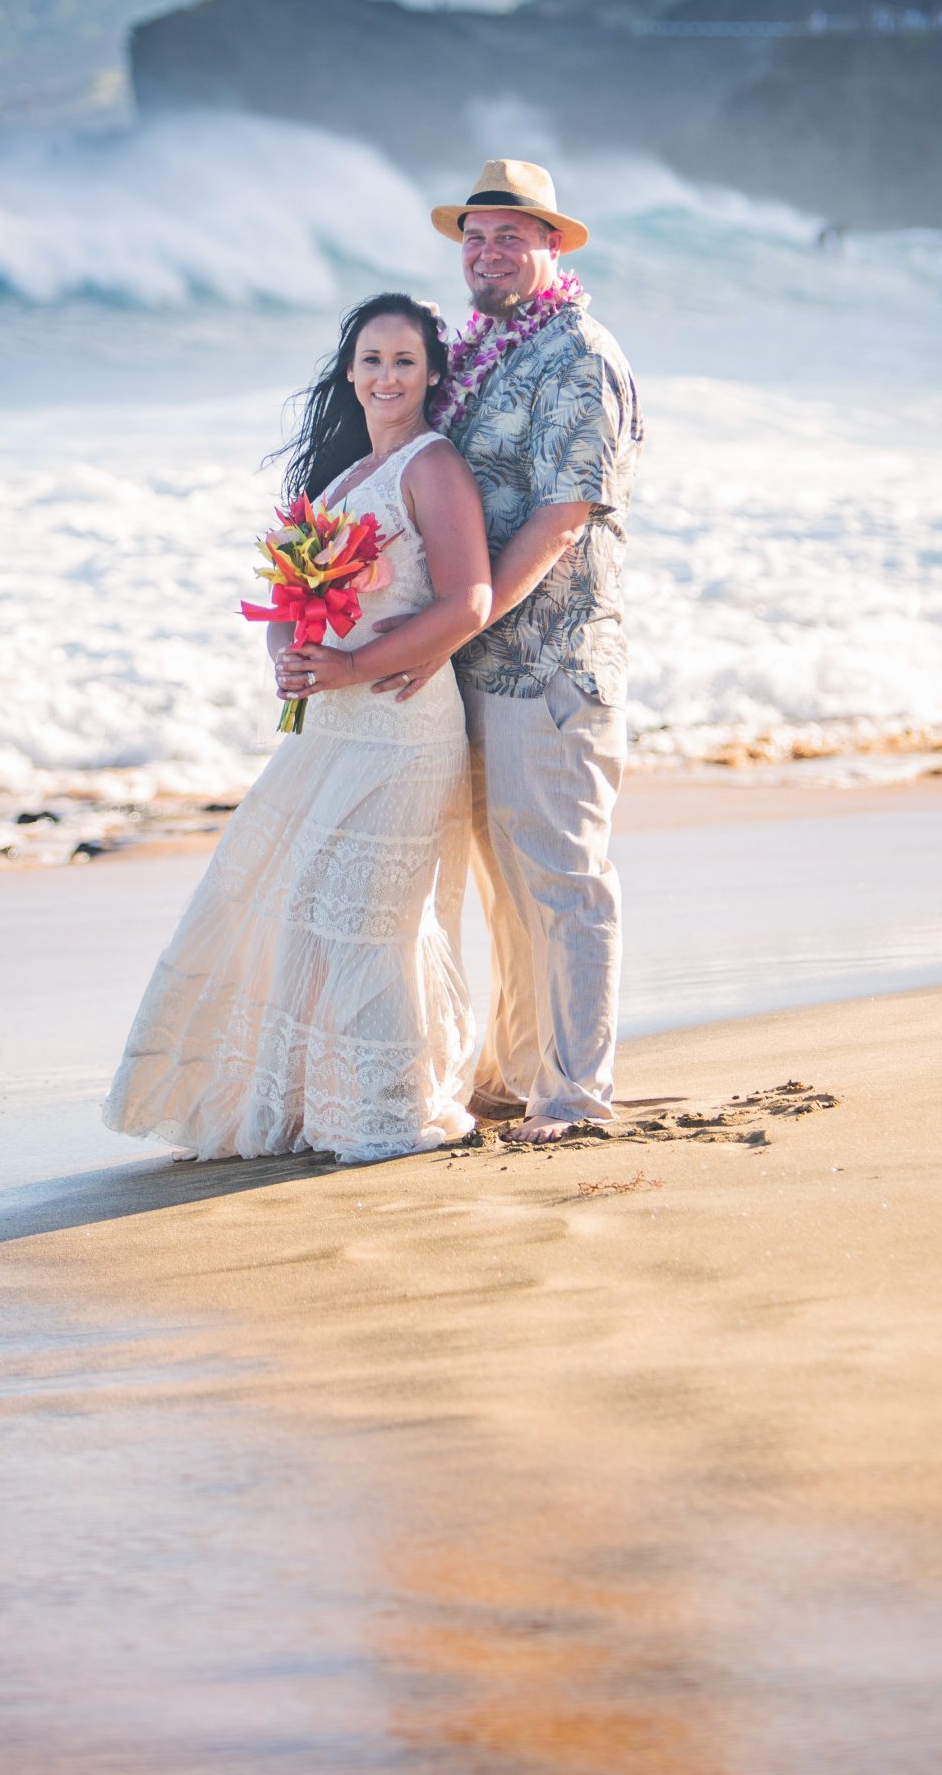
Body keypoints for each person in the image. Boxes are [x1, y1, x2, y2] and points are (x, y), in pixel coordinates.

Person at [103, 293, 491, 1165]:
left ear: (431, 374)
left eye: (403, 360)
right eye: (370, 359)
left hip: (400, 722)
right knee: (300, 909)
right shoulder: (341, 480)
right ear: (348, 371)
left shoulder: (432, 467)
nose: (385, 376)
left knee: (366, 917)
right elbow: (290, 595)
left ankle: (382, 1114)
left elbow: (469, 600)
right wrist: (288, 655)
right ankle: (313, 1104)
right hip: (327, 727)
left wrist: (352, 667)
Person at [374, 161, 643, 1146]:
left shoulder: (579, 354)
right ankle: (518, 1069)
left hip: (552, 664)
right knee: (505, 884)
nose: (487, 252)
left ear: (552, 247)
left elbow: (564, 519)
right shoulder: (482, 350)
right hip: (477, 666)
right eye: (475, 236)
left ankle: (577, 1094)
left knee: (565, 878)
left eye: (510, 236)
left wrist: (467, 610)